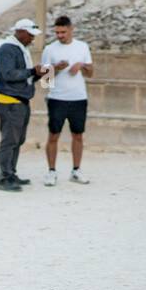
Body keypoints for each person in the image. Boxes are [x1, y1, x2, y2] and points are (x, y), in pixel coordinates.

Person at [0, 18, 47, 191]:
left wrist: (40, 73)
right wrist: (32, 71)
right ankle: (4, 177)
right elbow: (8, 74)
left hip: (20, 101)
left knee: (18, 139)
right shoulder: (7, 50)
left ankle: (11, 172)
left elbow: (25, 78)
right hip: (10, 102)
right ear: (21, 32)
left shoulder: (20, 49)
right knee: (10, 140)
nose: (32, 39)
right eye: (30, 35)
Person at [40, 16, 94, 186]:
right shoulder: (49, 49)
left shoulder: (82, 47)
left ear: (71, 29)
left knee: (78, 135)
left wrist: (82, 66)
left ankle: (76, 170)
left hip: (78, 97)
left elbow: (91, 72)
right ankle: (51, 171)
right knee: (53, 135)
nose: (60, 35)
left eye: (63, 32)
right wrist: (56, 68)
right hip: (57, 98)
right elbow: (45, 80)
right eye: (57, 32)